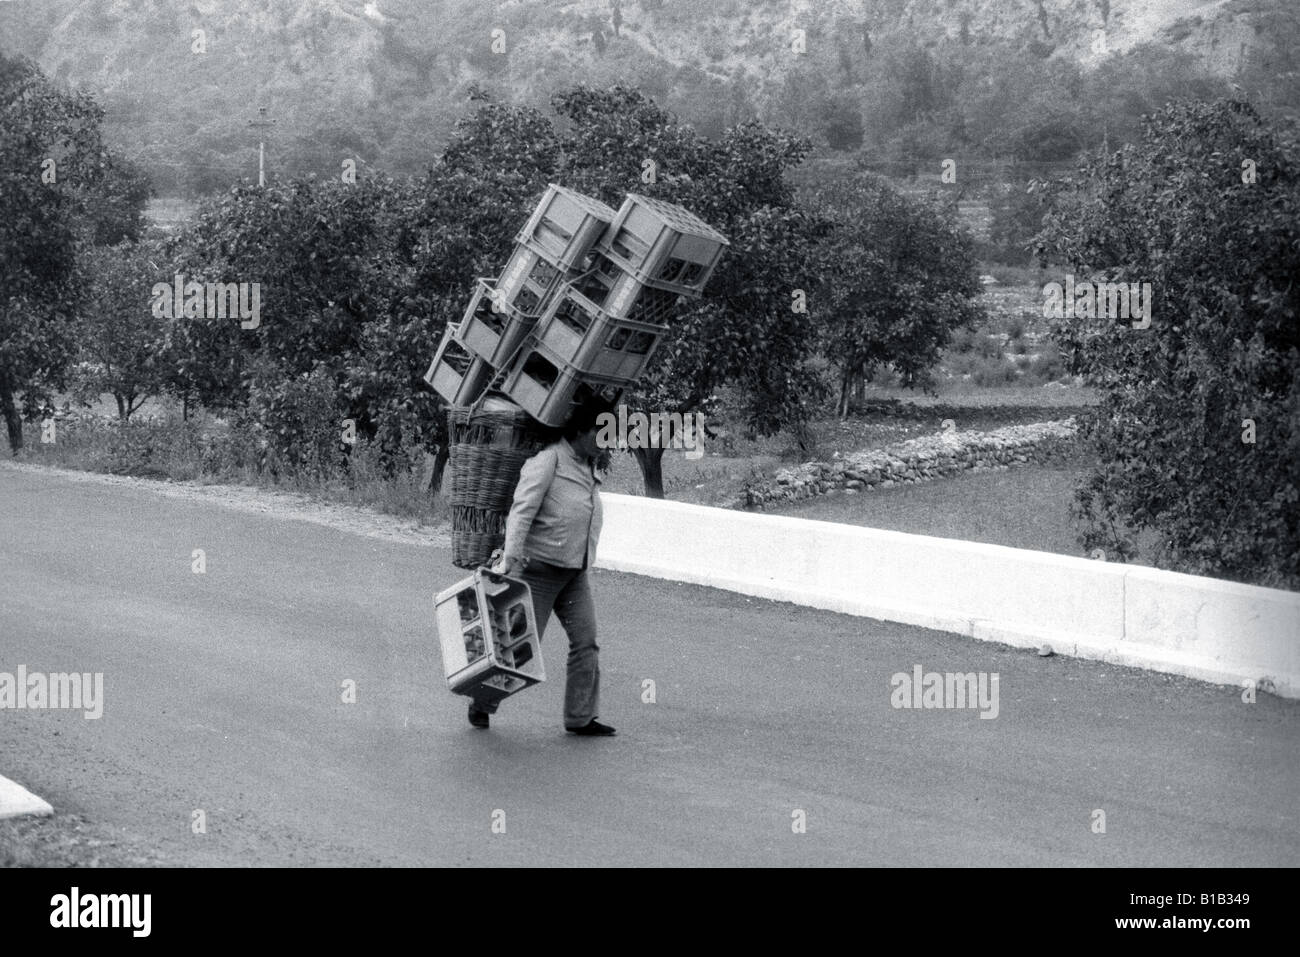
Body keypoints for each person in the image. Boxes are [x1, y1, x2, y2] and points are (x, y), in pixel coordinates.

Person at [470, 396, 617, 736]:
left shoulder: (587, 465)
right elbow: (521, 511)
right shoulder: (548, 461)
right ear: (582, 431)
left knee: (586, 641)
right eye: (602, 433)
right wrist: (510, 558)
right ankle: (482, 702)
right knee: (515, 650)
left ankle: (580, 717)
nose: (606, 441)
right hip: (537, 574)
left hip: (574, 575)